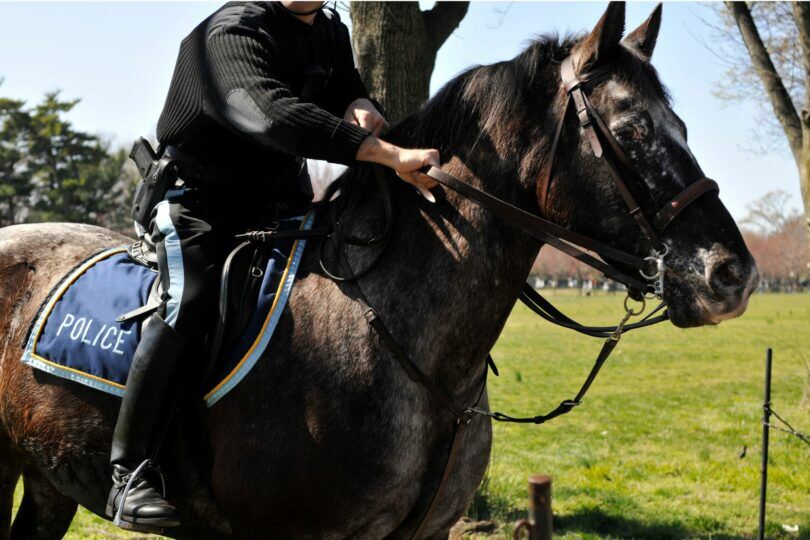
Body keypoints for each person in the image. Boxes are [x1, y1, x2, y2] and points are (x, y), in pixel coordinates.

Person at [107, 0, 440, 532]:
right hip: (198, 207)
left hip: (282, 208)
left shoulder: (329, 29)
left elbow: (342, 87)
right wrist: (385, 153)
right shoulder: (230, 31)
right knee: (190, 305)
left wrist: (357, 100)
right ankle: (129, 472)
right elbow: (271, 114)